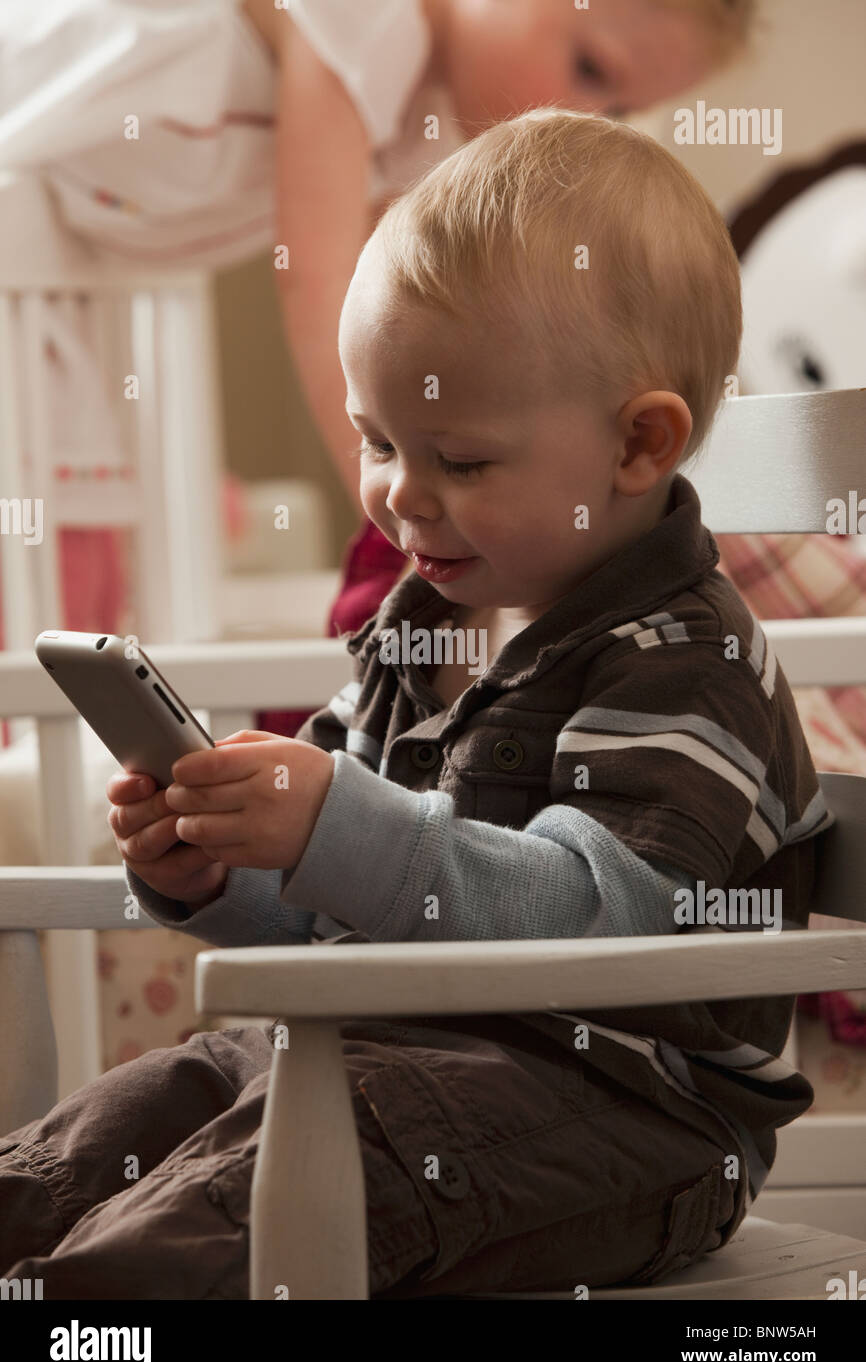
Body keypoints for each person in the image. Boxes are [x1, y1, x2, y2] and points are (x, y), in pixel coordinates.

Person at [0, 108, 831, 1298]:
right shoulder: (423, 621)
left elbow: (614, 922)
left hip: (626, 1117)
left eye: (460, 459)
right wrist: (219, 868)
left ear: (639, 444)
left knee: (271, 1173)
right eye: (375, 439)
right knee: (157, 1098)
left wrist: (338, 823)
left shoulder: (682, 662)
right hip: (397, 1049)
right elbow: (342, 925)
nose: (399, 495)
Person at [0, 0, 756, 718]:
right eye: (591, 69)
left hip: (56, 257)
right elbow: (329, 282)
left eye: (620, 111)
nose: (589, 116)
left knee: (76, 549)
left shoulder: (419, 118)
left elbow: (408, 315)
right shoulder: (372, 17)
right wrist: (413, 499)